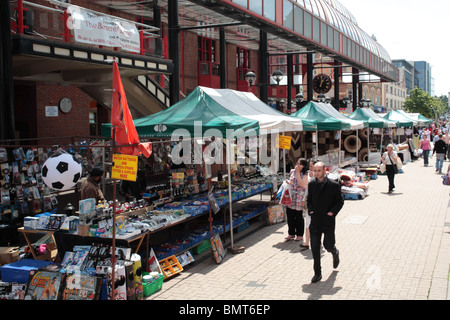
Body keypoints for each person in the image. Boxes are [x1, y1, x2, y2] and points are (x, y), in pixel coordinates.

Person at [307, 162, 344, 283]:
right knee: (315, 248)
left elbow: (340, 202)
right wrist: (311, 210)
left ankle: (335, 252)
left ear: (324, 170)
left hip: (328, 221)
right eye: (315, 171)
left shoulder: (333, 185)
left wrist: (332, 212)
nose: (316, 173)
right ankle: (317, 273)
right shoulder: (312, 184)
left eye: (319, 170)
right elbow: (309, 200)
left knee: (328, 245)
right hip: (315, 221)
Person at [284, 158, 308, 241]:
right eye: (297, 163)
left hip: (300, 197)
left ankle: (300, 234)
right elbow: (292, 181)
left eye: (299, 164)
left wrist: (298, 172)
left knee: (298, 216)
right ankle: (291, 233)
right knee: (290, 215)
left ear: (303, 166)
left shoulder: (305, 173)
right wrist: (288, 182)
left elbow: (301, 183)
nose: (297, 165)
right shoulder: (292, 171)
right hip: (291, 196)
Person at [300, 159, 316, 251]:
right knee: (308, 223)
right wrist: (304, 199)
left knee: (316, 223)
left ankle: (317, 241)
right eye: (309, 166)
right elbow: (307, 189)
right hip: (308, 203)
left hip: (316, 204)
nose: (310, 168)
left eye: (311, 166)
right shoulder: (309, 176)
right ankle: (306, 242)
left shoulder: (319, 177)